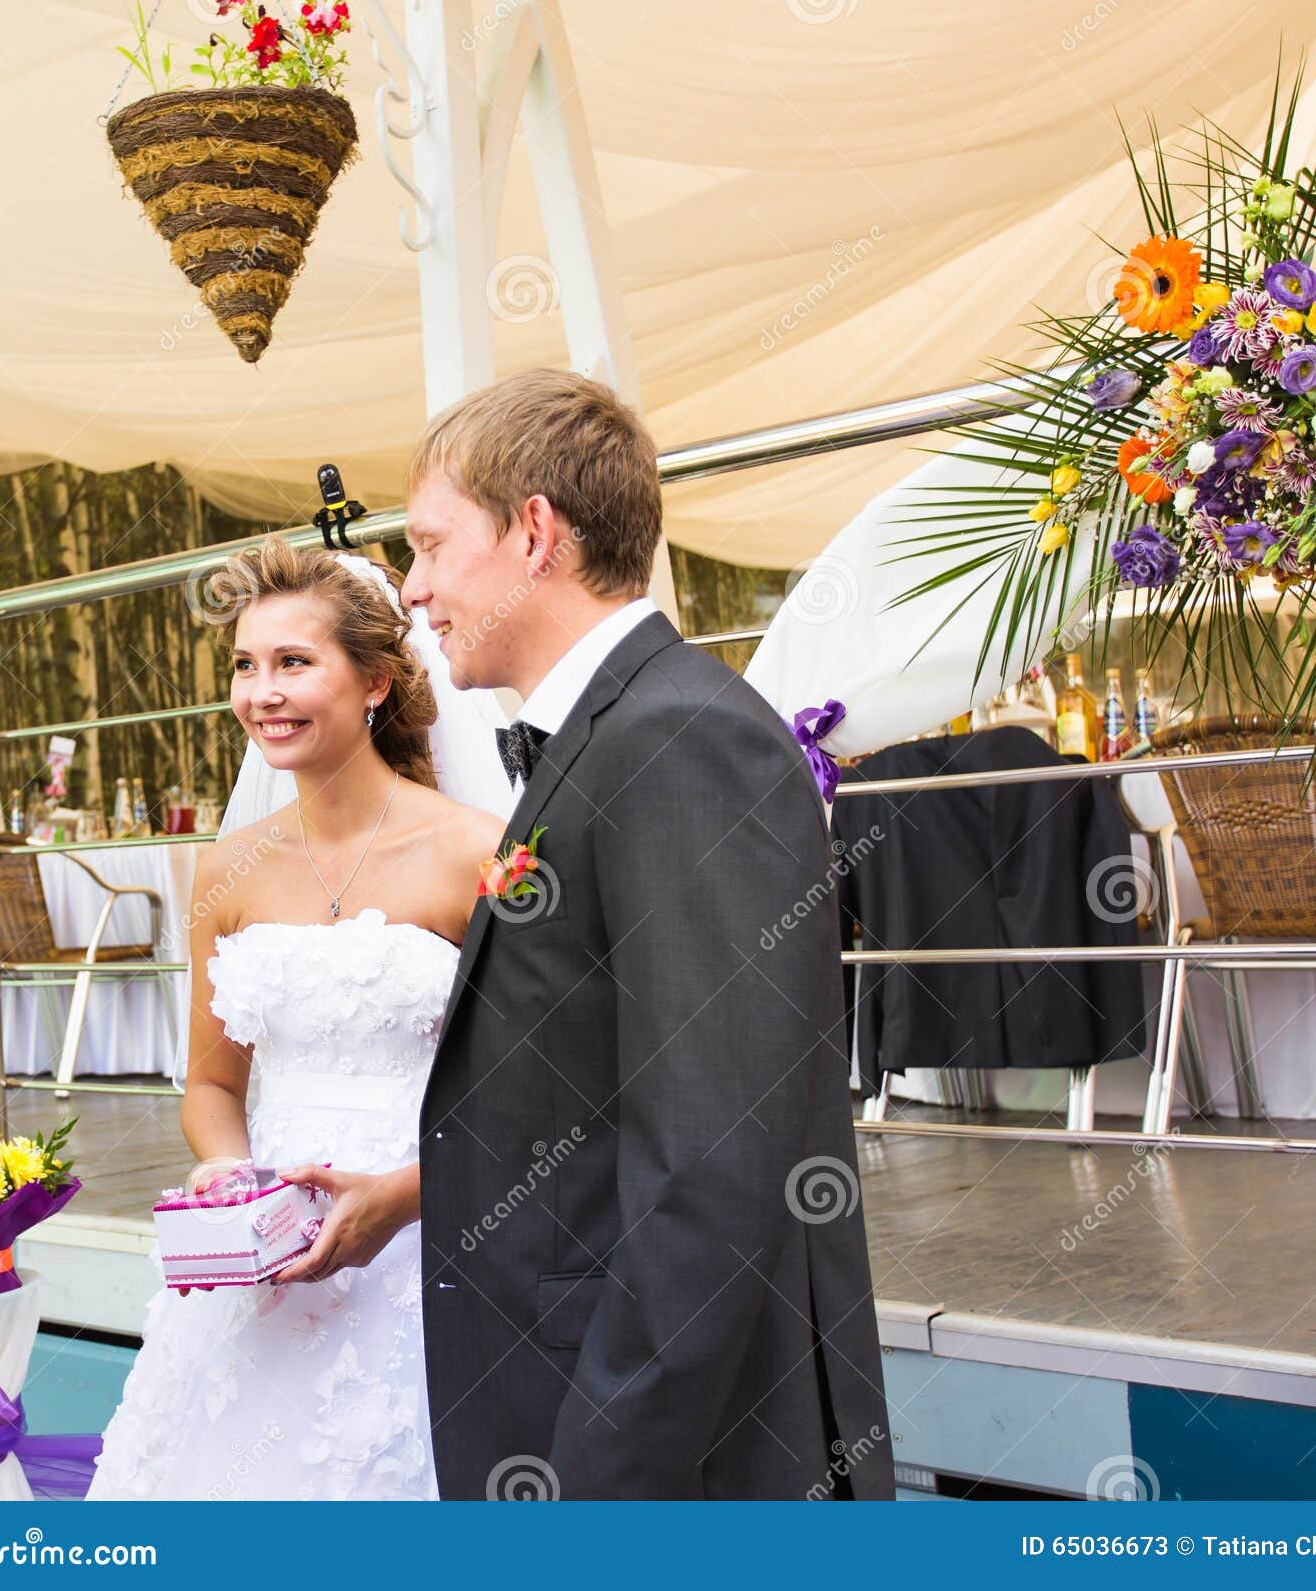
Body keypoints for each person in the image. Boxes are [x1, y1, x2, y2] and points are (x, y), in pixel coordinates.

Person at [280, 367, 895, 1500]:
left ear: (532, 533)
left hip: (670, 1459)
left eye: (428, 544)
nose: (410, 591)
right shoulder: (608, 736)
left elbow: (711, 1165)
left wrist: (600, 1481)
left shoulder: (681, 745)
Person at [86, 536, 508, 1500]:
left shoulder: (482, 854)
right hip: (261, 1267)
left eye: (293, 662)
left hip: (428, 1238)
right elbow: (211, 1084)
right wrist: (234, 1183)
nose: (260, 692)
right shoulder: (224, 868)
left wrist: (402, 1196)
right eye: (244, 665)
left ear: (375, 683)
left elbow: (544, 1083)